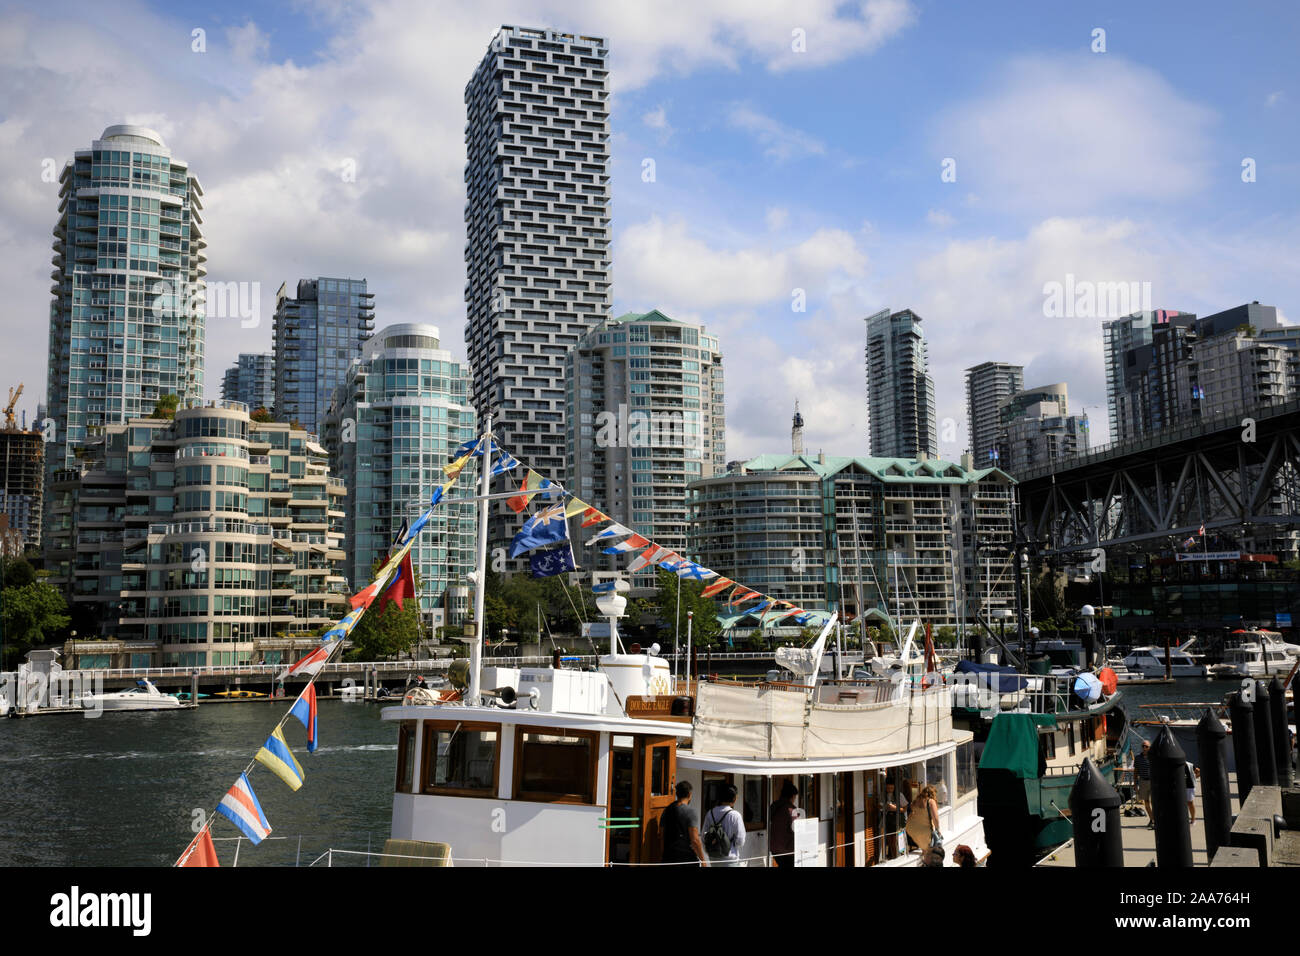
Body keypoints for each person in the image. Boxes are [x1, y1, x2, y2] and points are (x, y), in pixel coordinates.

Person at [661, 780, 708, 866]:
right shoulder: (690, 812)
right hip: (686, 859)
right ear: (689, 794)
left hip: (668, 858)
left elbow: (661, 835)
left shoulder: (666, 810)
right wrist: (703, 860)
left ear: (677, 794)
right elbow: (695, 840)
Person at [702, 783, 747, 867]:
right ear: (734, 798)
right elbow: (741, 841)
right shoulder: (735, 815)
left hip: (713, 859)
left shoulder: (710, 813)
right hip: (730, 859)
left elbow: (704, 836)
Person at [768, 780, 801, 868]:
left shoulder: (774, 806)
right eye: (795, 797)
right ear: (792, 796)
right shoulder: (793, 810)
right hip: (788, 849)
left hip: (774, 848)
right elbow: (798, 830)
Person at [905, 784, 941, 855]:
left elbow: (911, 813)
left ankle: (923, 854)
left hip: (911, 828)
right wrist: (938, 830)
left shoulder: (916, 800)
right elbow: (935, 818)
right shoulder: (931, 801)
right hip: (924, 831)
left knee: (924, 846)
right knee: (929, 851)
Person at [882, 779, 905, 860]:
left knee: (896, 841)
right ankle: (893, 857)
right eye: (888, 788)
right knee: (890, 840)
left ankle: (898, 858)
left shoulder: (899, 795)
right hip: (888, 819)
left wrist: (894, 808)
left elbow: (904, 809)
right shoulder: (883, 795)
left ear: (894, 788)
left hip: (897, 819)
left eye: (891, 788)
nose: (890, 790)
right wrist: (884, 807)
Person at [1134, 739, 1154, 828]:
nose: (1144, 748)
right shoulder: (1138, 758)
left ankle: (1154, 820)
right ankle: (1152, 819)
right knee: (1146, 803)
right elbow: (1135, 772)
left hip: (1153, 782)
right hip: (1142, 781)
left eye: (1146, 746)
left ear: (1150, 747)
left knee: (1154, 802)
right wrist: (1135, 785)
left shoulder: (1153, 757)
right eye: (1143, 746)